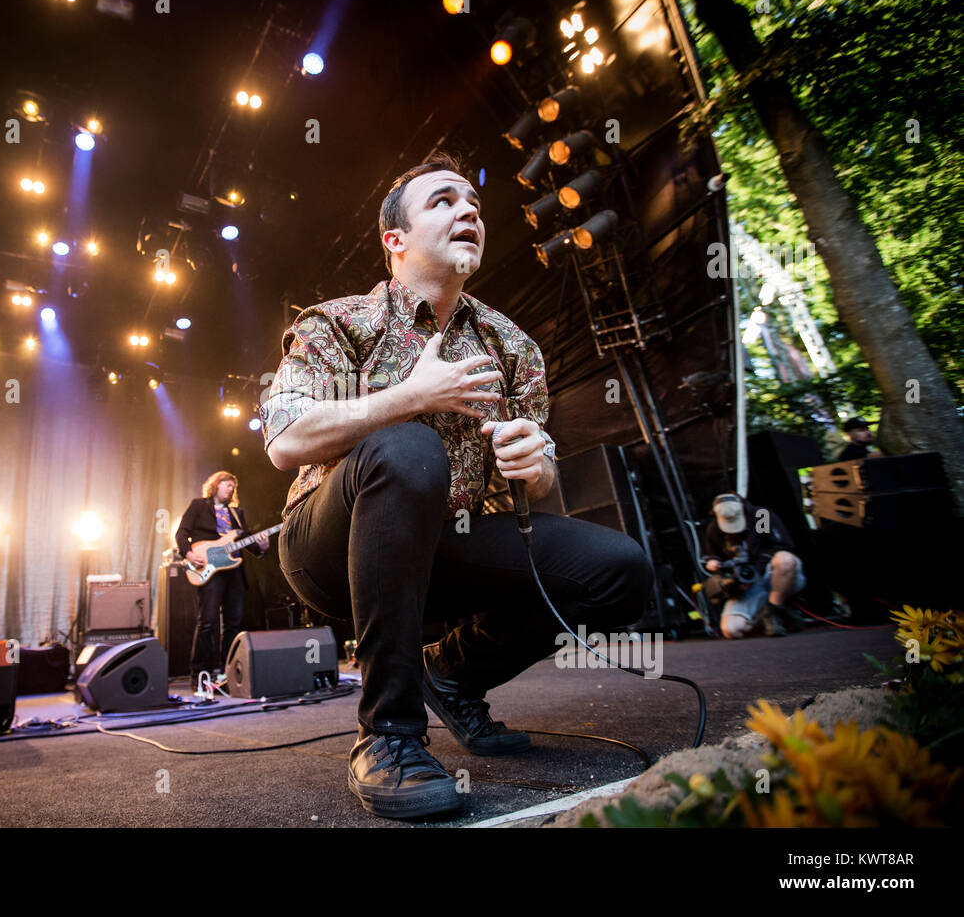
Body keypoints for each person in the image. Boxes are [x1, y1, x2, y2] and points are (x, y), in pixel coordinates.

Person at [260, 153, 652, 819]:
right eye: (443, 201)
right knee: (407, 445)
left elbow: (536, 491)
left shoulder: (512, 348)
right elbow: (285, 440)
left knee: (621, 571)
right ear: (396, 241)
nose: (469, 210)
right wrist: (408, 398)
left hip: (442, 541)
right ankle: (387, 735)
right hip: (327, 546)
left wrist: (540, 464)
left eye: (472, 201)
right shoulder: (337, 322)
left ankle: (455, 671)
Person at [174, 471, 270, 682]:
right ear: (216, 485)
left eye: (233, 486)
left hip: (234, 572)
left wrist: (261, 547)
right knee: (207, 622)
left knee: (233, 624)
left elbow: (246, 541)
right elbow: (181, 533)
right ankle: (199, 673)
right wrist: (189, 554)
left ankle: (228, 673)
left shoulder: (237, 513)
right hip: (208, 568)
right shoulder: (199, 505)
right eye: (227, 484)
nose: (231, 489)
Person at [701, 493, 804, 639]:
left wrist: (757, 569)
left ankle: (774, 609)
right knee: (731, 630)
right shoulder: (714, 528)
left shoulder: (759, 516)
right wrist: (715, 564)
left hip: (772, 574)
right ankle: (769, 614)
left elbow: (778, 546)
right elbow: (713, 555)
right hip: (747, 583)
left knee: (784, 559)